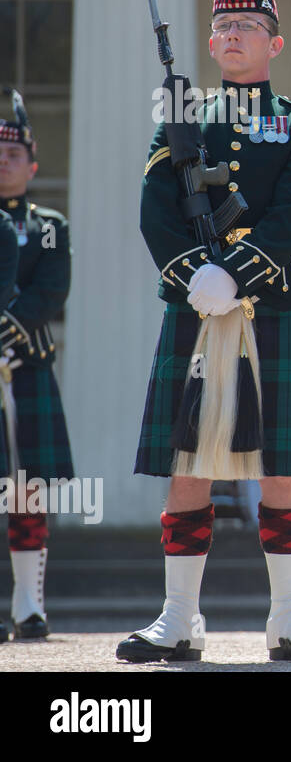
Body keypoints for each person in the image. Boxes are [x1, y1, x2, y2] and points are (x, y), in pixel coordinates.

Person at [118, 0, 291, 662]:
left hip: (267, 307)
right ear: (210, 45)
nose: (233, 35)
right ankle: (178, 618)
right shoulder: (180, 118)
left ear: (275, 44)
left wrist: (237, 271)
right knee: (190, 466)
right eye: (222, 27)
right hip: (195, 310)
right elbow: (155, 208)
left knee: (280, 467)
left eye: (247, 25)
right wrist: (193, 274)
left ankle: (290, 617)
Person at [0, 90, 49, 643]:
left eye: (14, 155)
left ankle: (29, 604)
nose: (4, 161)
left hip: (26, 366)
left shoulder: (48, 225)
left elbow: (48, 289)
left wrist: (5, 334)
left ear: (32, 166)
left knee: (28, 487)